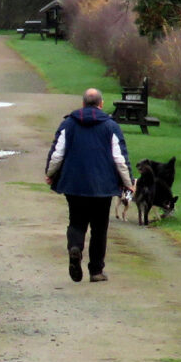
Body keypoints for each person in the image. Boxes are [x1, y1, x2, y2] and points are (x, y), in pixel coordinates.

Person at [44, 88, 133, 283]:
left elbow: (57, 154)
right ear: (101, 104)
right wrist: (129, 183)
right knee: (99, 228)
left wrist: (50, 174)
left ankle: (75, 247)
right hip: (103, 186)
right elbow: (120, 159)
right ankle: (96, 271)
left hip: (74, 184)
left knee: (76, 221)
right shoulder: (111, 126)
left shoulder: (68, 124)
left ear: (83, 104)